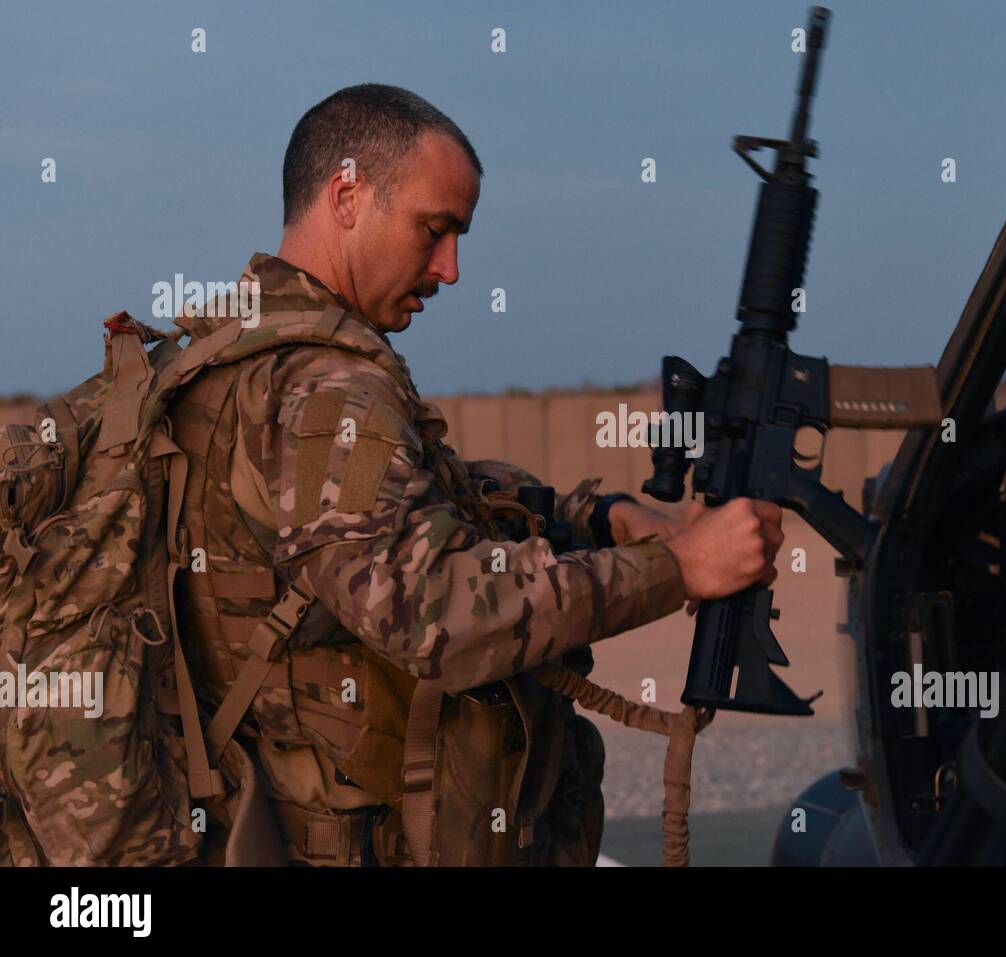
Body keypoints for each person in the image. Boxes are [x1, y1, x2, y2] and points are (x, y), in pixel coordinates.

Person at [170, 83, 783, 866]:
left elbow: (413, 497)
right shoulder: (329, 387)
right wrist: (679, 567)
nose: (451, 269)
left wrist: (595, 516)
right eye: (434, 230)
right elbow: (431, 613)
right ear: (348, 195)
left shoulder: (230, 352)